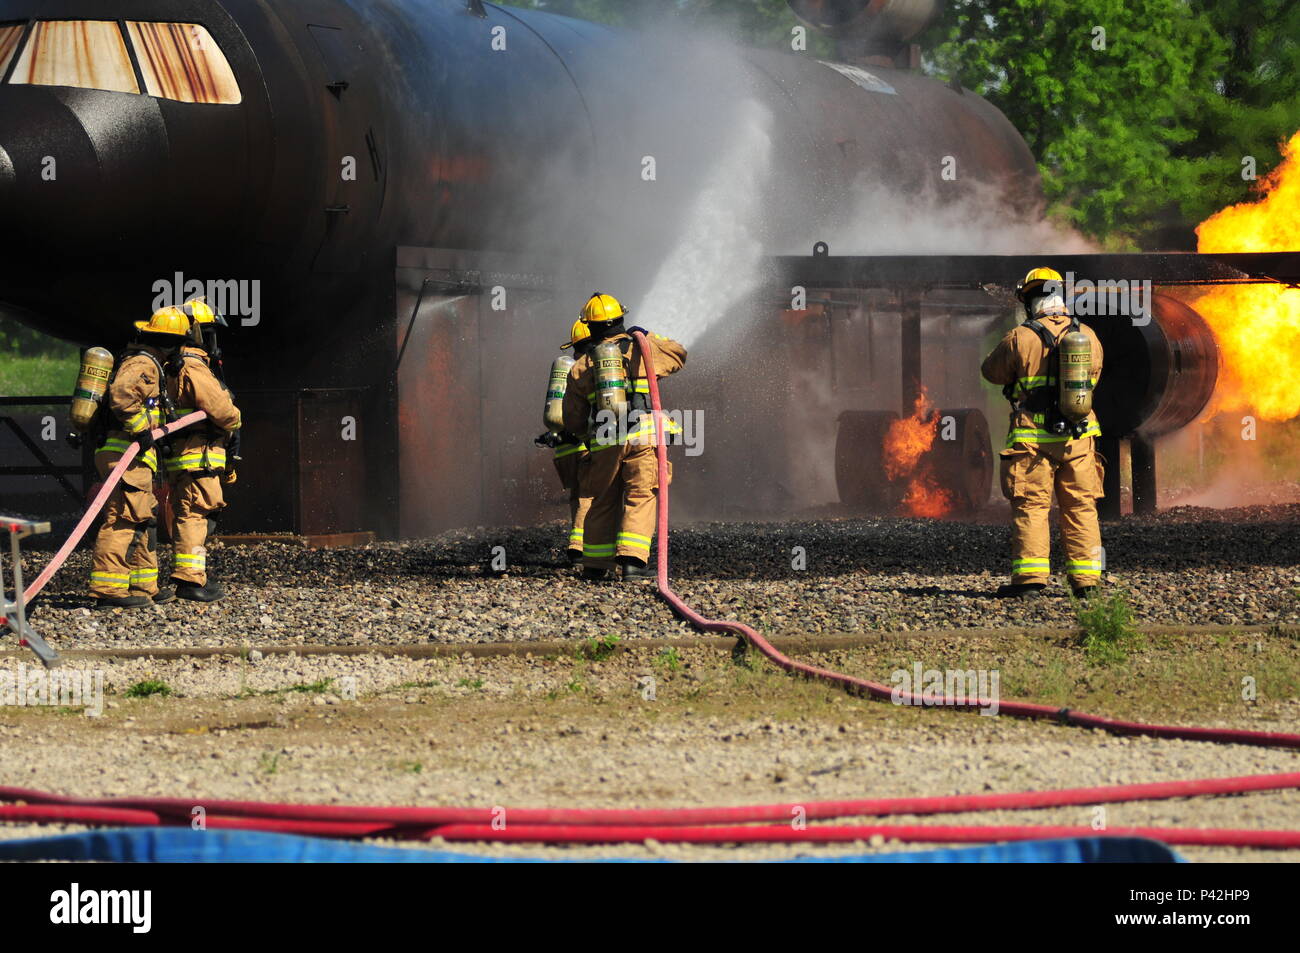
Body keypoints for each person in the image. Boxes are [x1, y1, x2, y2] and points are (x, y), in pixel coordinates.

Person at [981, 267, 1105, 599]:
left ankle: (1030, 581)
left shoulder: (1020, 337)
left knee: (1032, 506)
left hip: (1032, 438)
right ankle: (1087, 583)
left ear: (1030, 300)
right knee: (1080, 506)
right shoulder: (1088, 336)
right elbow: (1093, 378)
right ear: (1060, 297)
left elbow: (990, 372)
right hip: (1078, 436)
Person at [562, 292, 686, 581]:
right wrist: (647, 336)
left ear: (590, 327)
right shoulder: (645, 350)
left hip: (606, 439)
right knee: (640, 495)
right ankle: (632, 564)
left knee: (602, 497)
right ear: (620, 319)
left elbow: (573, 419)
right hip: (644, 436)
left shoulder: (583, 365)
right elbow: (679, 354)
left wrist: (585, 436)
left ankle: (594, 566)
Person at [87, 309, 187, 608]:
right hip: (122, 455)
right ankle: (108, 589)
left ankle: (144, 586)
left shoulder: (149, 362)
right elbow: (121, 394)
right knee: (124, 517)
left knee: (143, 516)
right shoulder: (144, 363)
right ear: (171, 344)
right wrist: (141, 429)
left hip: (133, 458)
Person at [161, 299, 242, 602]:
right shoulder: (193, 366)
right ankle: (190, 581)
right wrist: (236, 417)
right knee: (194, 514)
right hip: (199, 456)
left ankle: (192, 577)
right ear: (193, 332)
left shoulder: (173, 365)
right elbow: (221, 410)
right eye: (208, 332)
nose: (211, 340)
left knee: (192, 513)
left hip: (189, 455)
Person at [536, 319, 595, 562]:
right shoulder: (588, 369)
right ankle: (580, 545)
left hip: (563, 449)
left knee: (578, 495)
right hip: (582, 443)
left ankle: (579, 541)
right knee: (589, 495)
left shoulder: (565, 367)